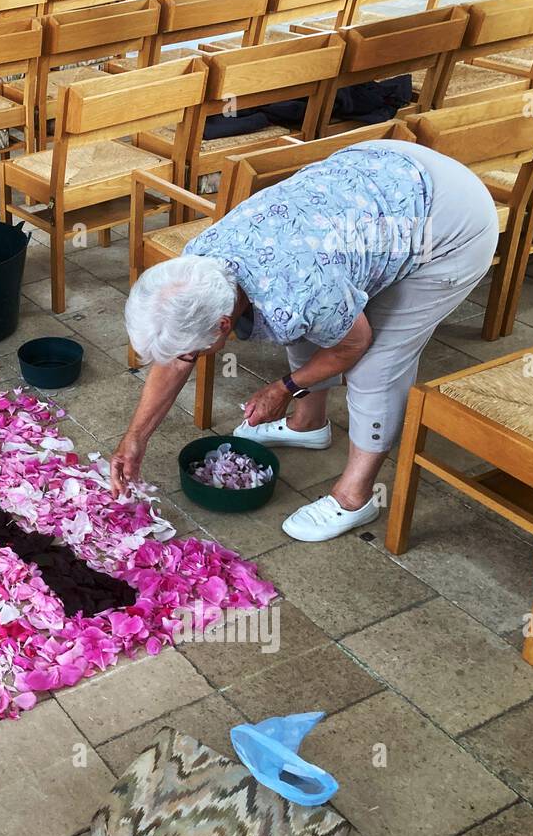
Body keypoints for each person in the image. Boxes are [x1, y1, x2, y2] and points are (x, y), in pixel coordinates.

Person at [111, 139, 499, 543]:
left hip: (449, 223)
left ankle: (355, 497)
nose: (187, 359)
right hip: (384, 176)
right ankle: (308, 425)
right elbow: (178, 356)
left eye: (193, 353)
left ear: (223, 325)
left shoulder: (302, 294)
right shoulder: (199, 262)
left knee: (377, 364)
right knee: (308, 324)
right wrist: (134, 439)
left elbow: (352, 344)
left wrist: (284, 388)